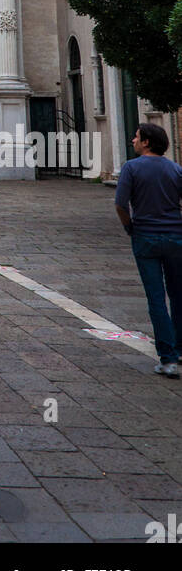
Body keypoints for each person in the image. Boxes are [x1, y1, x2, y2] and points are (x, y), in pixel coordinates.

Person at [115, 122, 182, 379]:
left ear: (146, 142)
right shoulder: (175, 168)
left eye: (136, 137)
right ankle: (179, 348)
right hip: (176, 237)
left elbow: (120, 204)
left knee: (156, 298)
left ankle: (167, 359)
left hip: (145, 236)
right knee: (178, 294)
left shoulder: (131, 168)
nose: (133, 140)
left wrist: (129, 226)